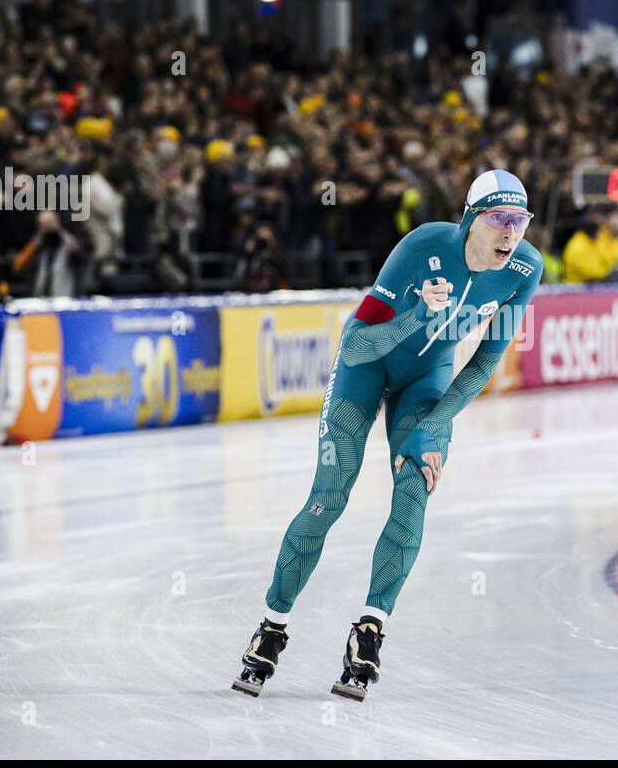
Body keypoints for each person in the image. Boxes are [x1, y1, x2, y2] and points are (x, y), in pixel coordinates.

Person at [232, 169, 543, 701]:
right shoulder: (423, 246)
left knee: (415, 483)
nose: (510, 233)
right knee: (328, 499)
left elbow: (486, 360)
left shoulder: (524, 267)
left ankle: (370, 629)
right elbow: (354, 345)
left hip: (428, 379)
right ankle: (272, 627)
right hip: (366, 371)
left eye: (519, 220)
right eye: (498, 219)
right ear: (471, 220)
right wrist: (417, 315)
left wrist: (436, 422)